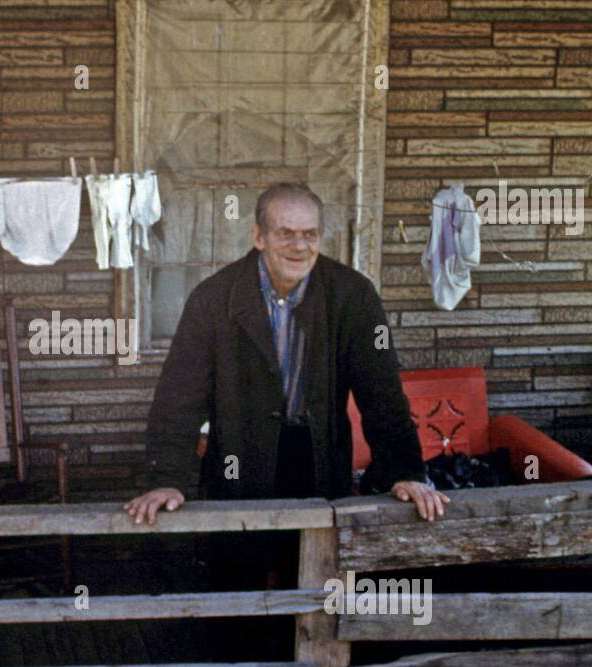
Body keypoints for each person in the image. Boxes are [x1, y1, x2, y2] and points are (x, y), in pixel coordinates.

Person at [125, 182, 450, 534]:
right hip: (238, 461)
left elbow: (382, 393)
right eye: (286, 234)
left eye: (310, 234)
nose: (300, 246)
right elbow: (178, 398)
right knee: (237, 574)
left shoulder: (353, 295)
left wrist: (405, 473)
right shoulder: (212, 298)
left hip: (318, 461)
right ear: (259, 237)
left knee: (317, 574)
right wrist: (166, 478)